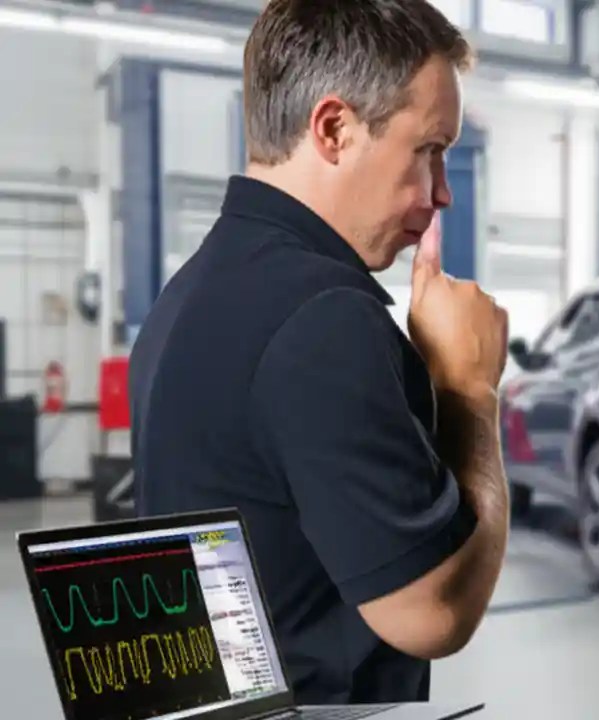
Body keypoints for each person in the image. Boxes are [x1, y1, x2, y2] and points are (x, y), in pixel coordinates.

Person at [127, 0, 510, 706]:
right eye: (429, 150)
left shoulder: (187, 295)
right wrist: (469, 391)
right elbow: (432, 613)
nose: (442, 194)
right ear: (334, 129)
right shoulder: (325, 317)